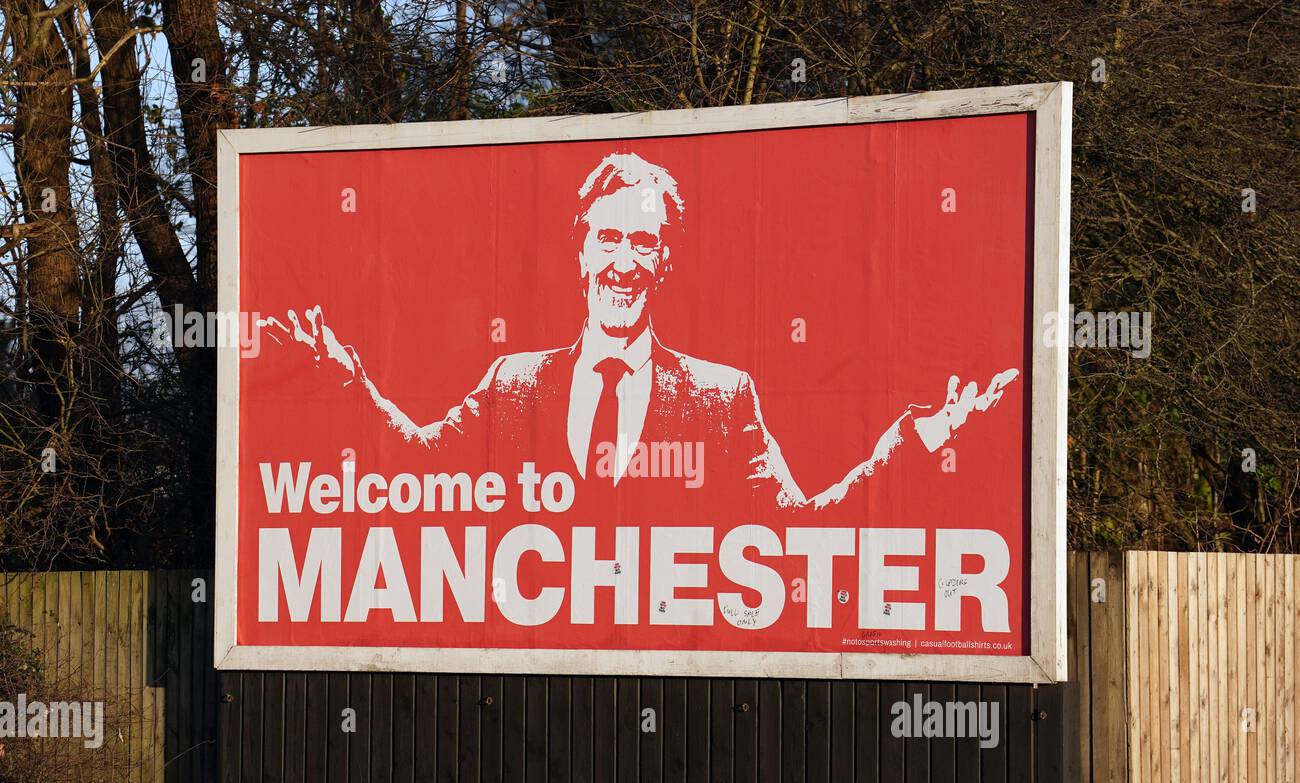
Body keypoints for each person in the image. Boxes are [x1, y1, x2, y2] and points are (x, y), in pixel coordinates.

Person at [260, 152, 1017, 511]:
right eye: (609, 239)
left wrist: (909, 444)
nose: (624, 262)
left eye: (643, 243)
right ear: (582, 250)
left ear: (665, 263)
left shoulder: (724, 399)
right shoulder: (513, 382)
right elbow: (418, 471)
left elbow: (802, 532)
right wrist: (345, 382)